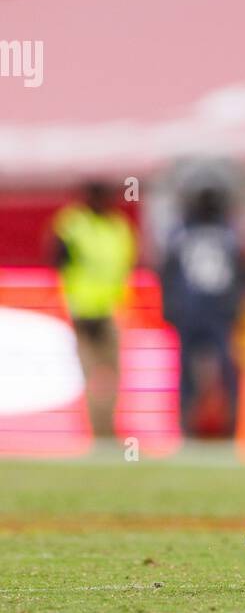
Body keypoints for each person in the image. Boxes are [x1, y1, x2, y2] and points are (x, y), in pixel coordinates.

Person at [161, 186, 245, 436]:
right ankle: (186, 425)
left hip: (215, 310)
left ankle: (233, 424)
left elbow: (243, 272)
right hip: (192, 309)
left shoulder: (225, 233)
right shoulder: (185, 232)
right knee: (188, 368)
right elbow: (168, 271)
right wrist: (171, 305)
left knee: (226, 367)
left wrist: (235, 304)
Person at [51, 181, 136, 439]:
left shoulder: (118, 227)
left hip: (111, 310)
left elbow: (125, 267)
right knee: (90, 373)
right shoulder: (73, 225)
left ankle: (108, 429)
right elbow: (59, 262)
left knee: (113, 373)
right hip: (83, 312)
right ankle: (95, 432)